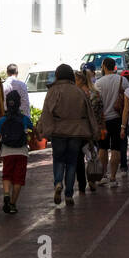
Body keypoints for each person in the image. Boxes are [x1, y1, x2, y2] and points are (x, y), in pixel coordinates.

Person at [37, 63, 100, 206]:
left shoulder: (53, 91)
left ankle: (58, 182)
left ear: (58, 75)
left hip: (58, 131)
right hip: (76, 132)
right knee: (72, 162)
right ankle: (69, 194)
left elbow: (46, 112)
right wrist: (93, 131)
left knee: (58, 160)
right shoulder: (78, 91)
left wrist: (43, 130)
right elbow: (89, 113)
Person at [0, 89, 33, 214]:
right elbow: (34, 129)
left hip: (7, 152)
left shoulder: (2, 120)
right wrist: (37, 136)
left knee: (7, 175)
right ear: (19, 103)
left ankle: (6, 194)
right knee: (18, 179)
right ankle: (12, 204)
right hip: (21, 152)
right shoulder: (24, 119)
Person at [95, 56, 125, 185]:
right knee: (116, 149)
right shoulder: (122, 80)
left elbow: (96, 103)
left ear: (104, 67)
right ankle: (113, 177)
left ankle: (103, 176)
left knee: (102, 148)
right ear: (114, 67)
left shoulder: (99, 83)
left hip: (103, 121)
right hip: (118, 119)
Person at [74, 70, 105, 194]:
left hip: (79, 130)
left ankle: (82, 184)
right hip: (93, 130)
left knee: (79, 159)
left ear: (81, 80)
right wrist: (101, 126)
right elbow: (100, 112)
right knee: (92, 155)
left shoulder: (76, 95)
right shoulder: (95, 93)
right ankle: (92, 179)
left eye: (75, 79)